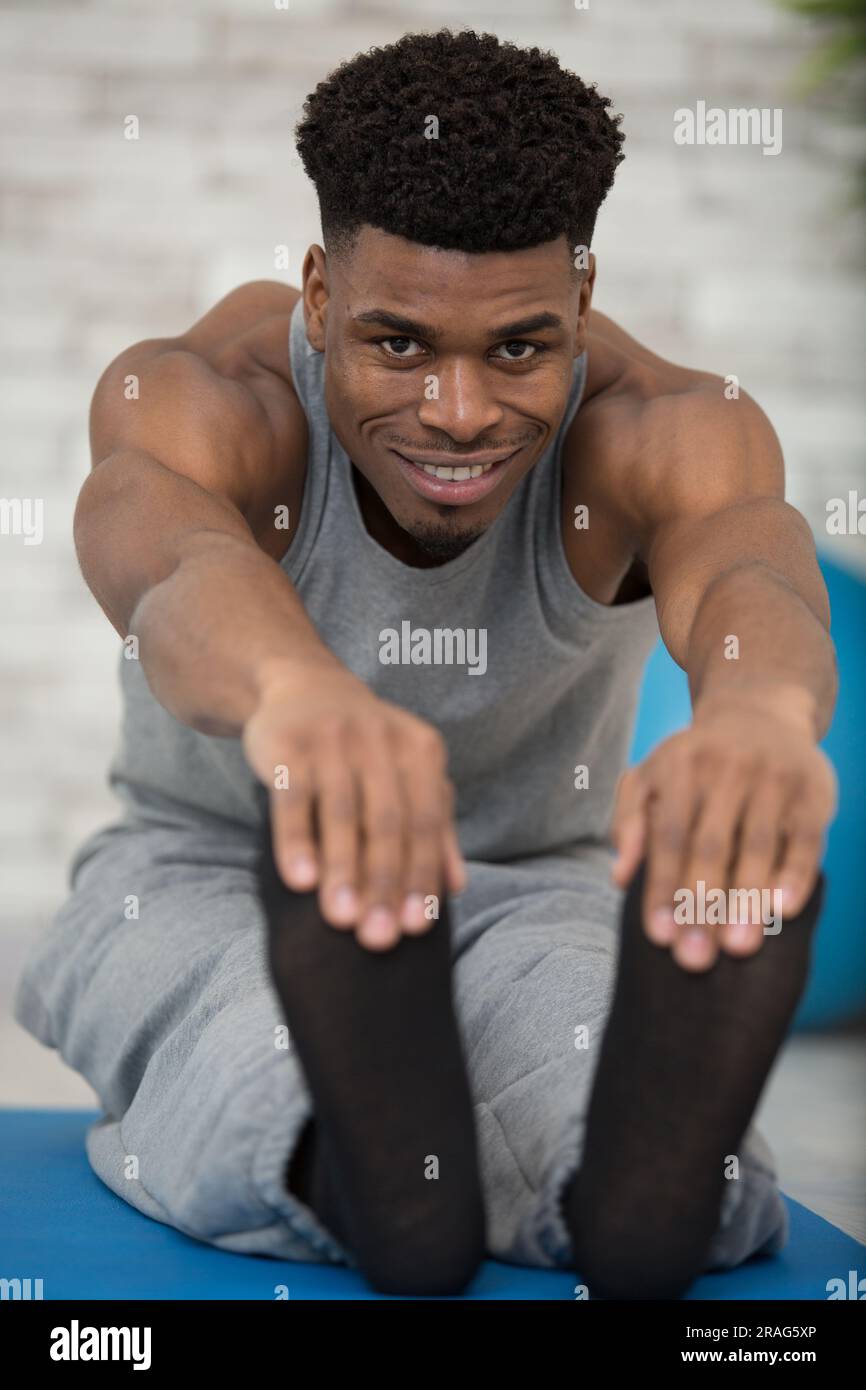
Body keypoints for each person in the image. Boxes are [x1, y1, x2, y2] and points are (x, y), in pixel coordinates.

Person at [15, 29, 836, 1299]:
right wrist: (296, 697)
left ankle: (628, 1207)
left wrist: (764, 714)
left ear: (579, 299)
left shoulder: (666, 428)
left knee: (612, 1121)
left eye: (515, 348)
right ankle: (375, 1169)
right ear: (317, 295)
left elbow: (752, 572)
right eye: (398, 344)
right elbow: (167, 560)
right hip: (206, 876)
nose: (458, 412)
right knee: (253, 1068)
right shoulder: (200, 395)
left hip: (532, 888)